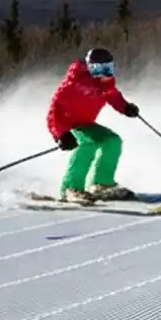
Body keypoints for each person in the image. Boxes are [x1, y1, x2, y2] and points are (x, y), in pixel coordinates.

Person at [46, 47, 140, 203]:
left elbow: (113, 96)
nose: (103, 73)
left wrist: (125, 107)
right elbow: (54, 112)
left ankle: (102, 183)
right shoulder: (73, 84)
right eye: (98, 69)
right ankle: (71, 187)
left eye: (107, 68)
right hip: (69, 126)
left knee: (112, 141)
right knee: (88, 144)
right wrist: (60, 135)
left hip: (86, 124)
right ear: (89, 68)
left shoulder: (105, 83)